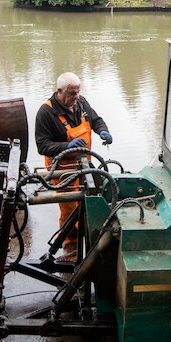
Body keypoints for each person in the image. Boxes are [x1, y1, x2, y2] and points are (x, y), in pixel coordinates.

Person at [34, 72, 112, 262]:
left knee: (90, 206)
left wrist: (103, 130)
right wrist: (65, 146)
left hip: (85, 166)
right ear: (60, 92)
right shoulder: (46, 113)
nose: (76, 97)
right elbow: (42, 145)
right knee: (69, 212)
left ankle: (91, 248)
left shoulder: (81, 102)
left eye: (78, 92)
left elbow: (95, 119)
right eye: (71, 93)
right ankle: (71, 254)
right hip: (62, 170)